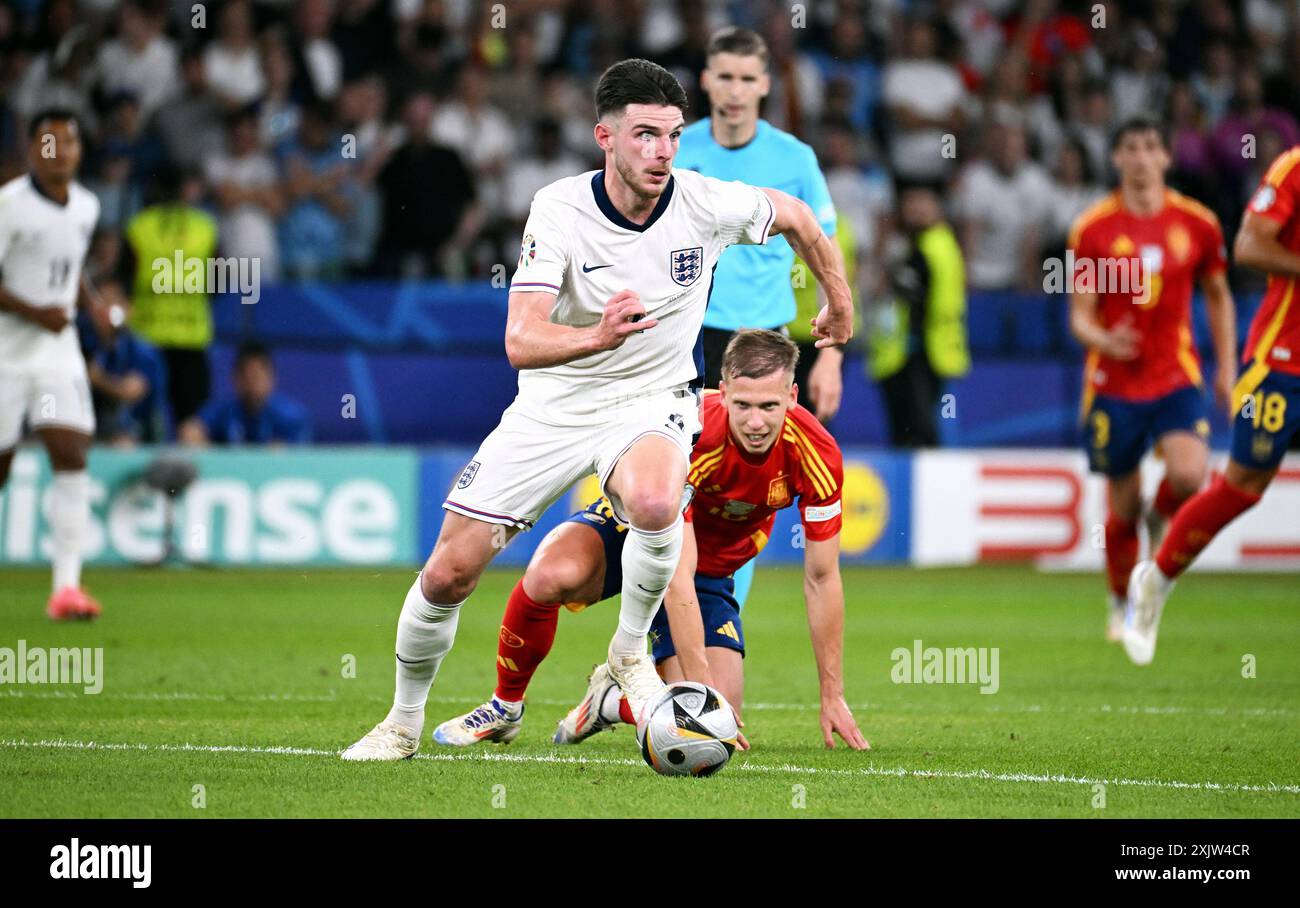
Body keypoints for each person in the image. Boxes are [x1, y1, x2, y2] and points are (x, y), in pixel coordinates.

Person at [341, 58, 854, 762]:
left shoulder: (703, 203)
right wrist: (597, 336)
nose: (662, 152)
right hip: (555, 404)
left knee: (651, 499)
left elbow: (797, 216)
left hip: (652, 399)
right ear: (604, 138)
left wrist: (838, 297)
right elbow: (519, 340)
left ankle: (624, 654)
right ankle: (400, 723)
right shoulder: (558, 209)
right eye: (644, 135)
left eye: (673, 136)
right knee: (447, 574)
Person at [430, 330, 868, 751]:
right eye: (743, 406)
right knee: (550, 575)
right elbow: (675, 571)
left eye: (770, 406)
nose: (756, 422)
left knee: (721, 716)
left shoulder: (817, 453)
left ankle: (609, 703)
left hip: (710, 572)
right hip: (637, 532)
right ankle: (504, 707)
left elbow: (822, 577)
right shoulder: (693, 434)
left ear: (792, 398)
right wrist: (702, 688)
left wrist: (833, 694)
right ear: (722, 391)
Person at [675, 26, 846, 610]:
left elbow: (826, 248)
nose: (735, 90)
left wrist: (833, 353)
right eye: (724, 76)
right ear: (705, 80)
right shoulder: (679, 150)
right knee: (677, 483)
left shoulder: (794, 158)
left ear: (766, 85)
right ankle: (664, 620)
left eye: (748, 79)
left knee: (749, 490)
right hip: (690, 339)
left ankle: (719, 616)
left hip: (766, 342)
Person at [1125, 144, 1300, 665]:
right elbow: (1248, 246)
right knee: (1243, 486)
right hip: (1283, 360)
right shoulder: (1292, 167)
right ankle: (1156, 582)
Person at [1067, 117, 1237, 643]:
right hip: (1115, 384)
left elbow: (1218, 295)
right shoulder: (1093, 229)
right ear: (1117, 159)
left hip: (1175, 375)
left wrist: (1228, 368)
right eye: (1129, 149)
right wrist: (1104, 341)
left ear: (1166, 157)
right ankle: (1120, 601)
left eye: (1149, 147)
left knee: (1190, 477)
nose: (1140, 158)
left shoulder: (1199, 224)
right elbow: (1080, 316)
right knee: (1121, 504)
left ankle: (1161, 517)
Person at [0, 109, 104, 620]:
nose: (59, 150)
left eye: (68, 141)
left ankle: (66, 589)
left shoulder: (87, 206)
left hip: (57, 353)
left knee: (71, 451)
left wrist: (94, 307)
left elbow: (72, 266)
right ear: (32, 149)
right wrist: (35, 311)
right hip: (5, 354)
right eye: (48, 142)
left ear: (79, 150)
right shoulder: (8, 207)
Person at [869, 183, 970, 447]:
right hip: (921, 348)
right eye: (909, 205)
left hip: (920, 349)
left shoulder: (929, 247)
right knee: (918, 423)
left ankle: (926, 479)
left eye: (921, 204)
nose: (914, 210)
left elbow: (910, 291)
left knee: (917, 425)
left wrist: (890, 276)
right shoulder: (937, 243)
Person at [83, 278, 169, 445]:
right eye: (99, 303)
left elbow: (130, 392)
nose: (104, 311)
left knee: (123, 443)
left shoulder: (142, 350)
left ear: (128, 309)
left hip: (139, 432)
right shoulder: (85, 343)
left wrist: (96, 378)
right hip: (93, 427)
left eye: (111, 303)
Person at [179, 341, 311, 446]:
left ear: (272, 378)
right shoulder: (223, 409)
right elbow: (190, 430)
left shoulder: (291, 416)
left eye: (257, 377)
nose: (252, 384)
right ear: (235, 378)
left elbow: (294, 452)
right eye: (246, 377)